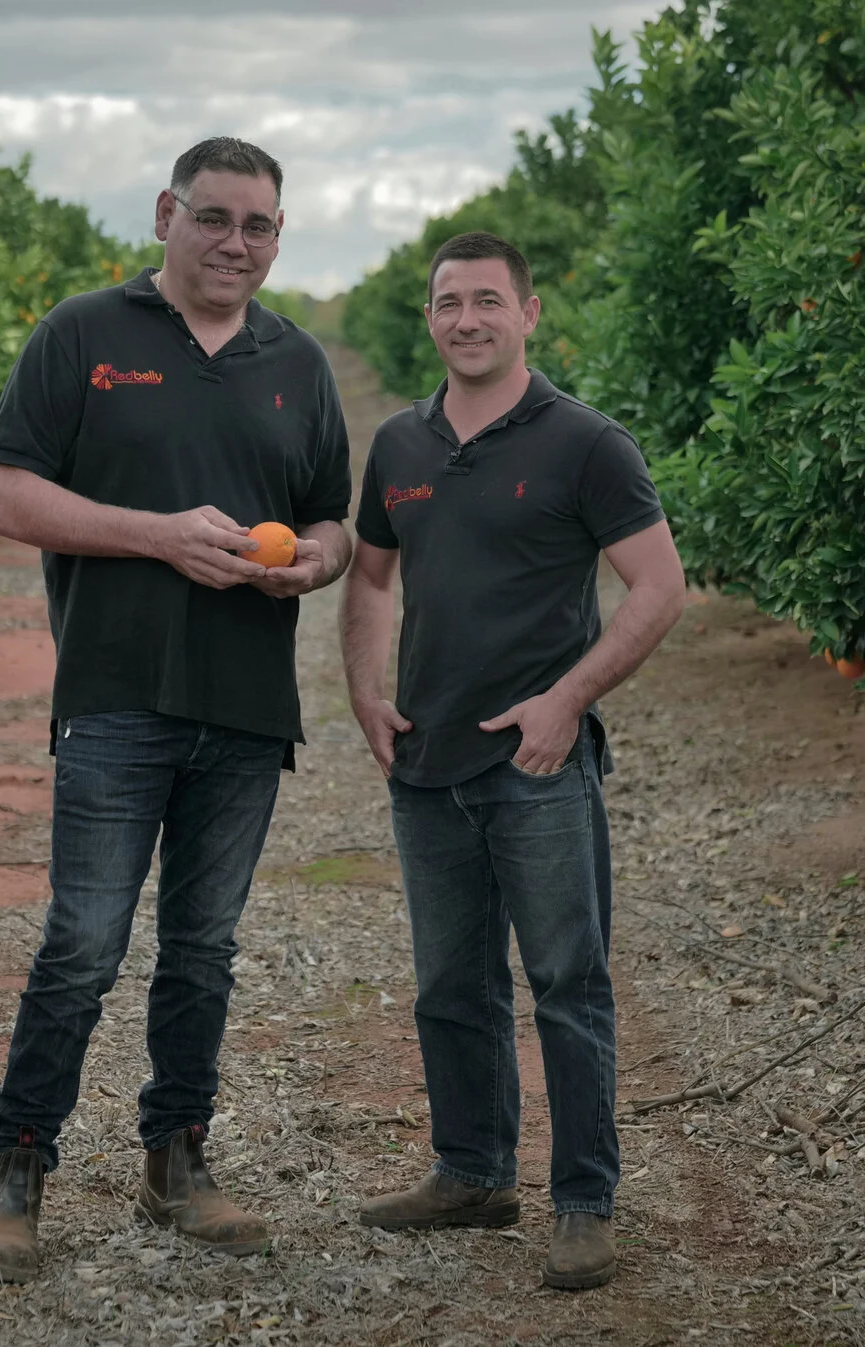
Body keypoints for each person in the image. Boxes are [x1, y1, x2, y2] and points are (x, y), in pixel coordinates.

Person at [0, 136, 354, 1282]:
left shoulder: (297, 363)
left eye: (258, 225)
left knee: (203, 949)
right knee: (82, 944)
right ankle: (16, 1169)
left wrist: (312, 566)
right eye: (214, 218)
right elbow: (4, 498)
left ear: (279, 236)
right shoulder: (83, 334)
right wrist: (158, 537)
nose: (235, 243)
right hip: (117, 688)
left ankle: (177, 1160)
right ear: (167, 214)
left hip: (246, 703)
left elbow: (329, 520)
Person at [338, 230, 687, 1291]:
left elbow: (660, 586)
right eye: (449, 303)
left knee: (567, 985)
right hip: (425, 760)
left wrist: (566, 701)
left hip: (537, 764)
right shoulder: (399, 446)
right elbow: (369, 579)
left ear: (529, 313)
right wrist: (364, 694)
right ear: (429, 319)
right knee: (451, 986)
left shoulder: (586, 442)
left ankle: (584, 1202)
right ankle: (472, 1173)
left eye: (488, 300)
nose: (467, 320)